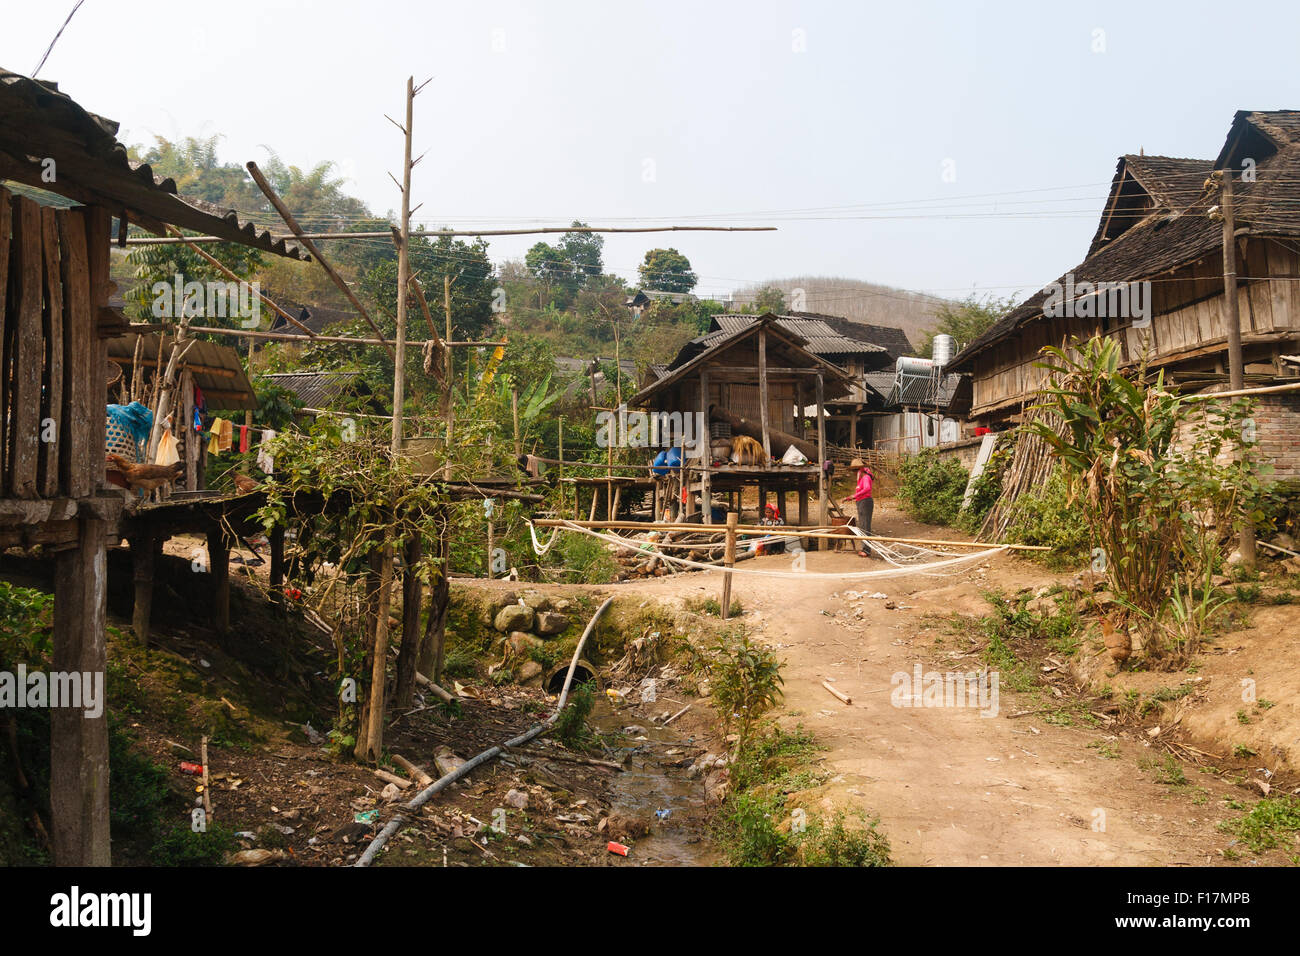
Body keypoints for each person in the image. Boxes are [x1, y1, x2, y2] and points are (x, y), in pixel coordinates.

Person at [841, 458, 874, 556]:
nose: (854, 472)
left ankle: (866, 550)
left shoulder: (866, 478)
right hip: (861, 502)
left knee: (865, 526)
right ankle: (865, 548)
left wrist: (853, 496)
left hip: (865, 502)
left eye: (855, 470)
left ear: (860, 469)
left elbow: (867, 489)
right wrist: (848, 498)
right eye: (853, 470)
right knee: (862, 526)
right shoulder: (860, 479)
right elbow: (858, 493)